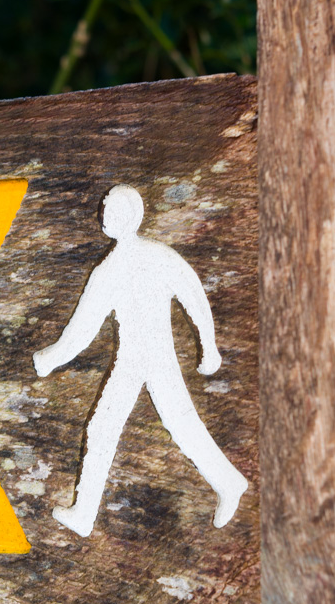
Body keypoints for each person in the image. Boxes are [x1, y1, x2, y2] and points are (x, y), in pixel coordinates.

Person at [33, 184, 248, 537]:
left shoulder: (156, 256)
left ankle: (229, 484)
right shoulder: (108, 271)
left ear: (133, 215)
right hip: (130, 363)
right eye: (107, 212)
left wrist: (208, 345)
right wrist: (52, 358)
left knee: (183, 425)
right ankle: (85, 513)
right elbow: (82, 329)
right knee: (104, 427)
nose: (108, 218)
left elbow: (193, 295)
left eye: (115, 212)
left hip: (157, 359)